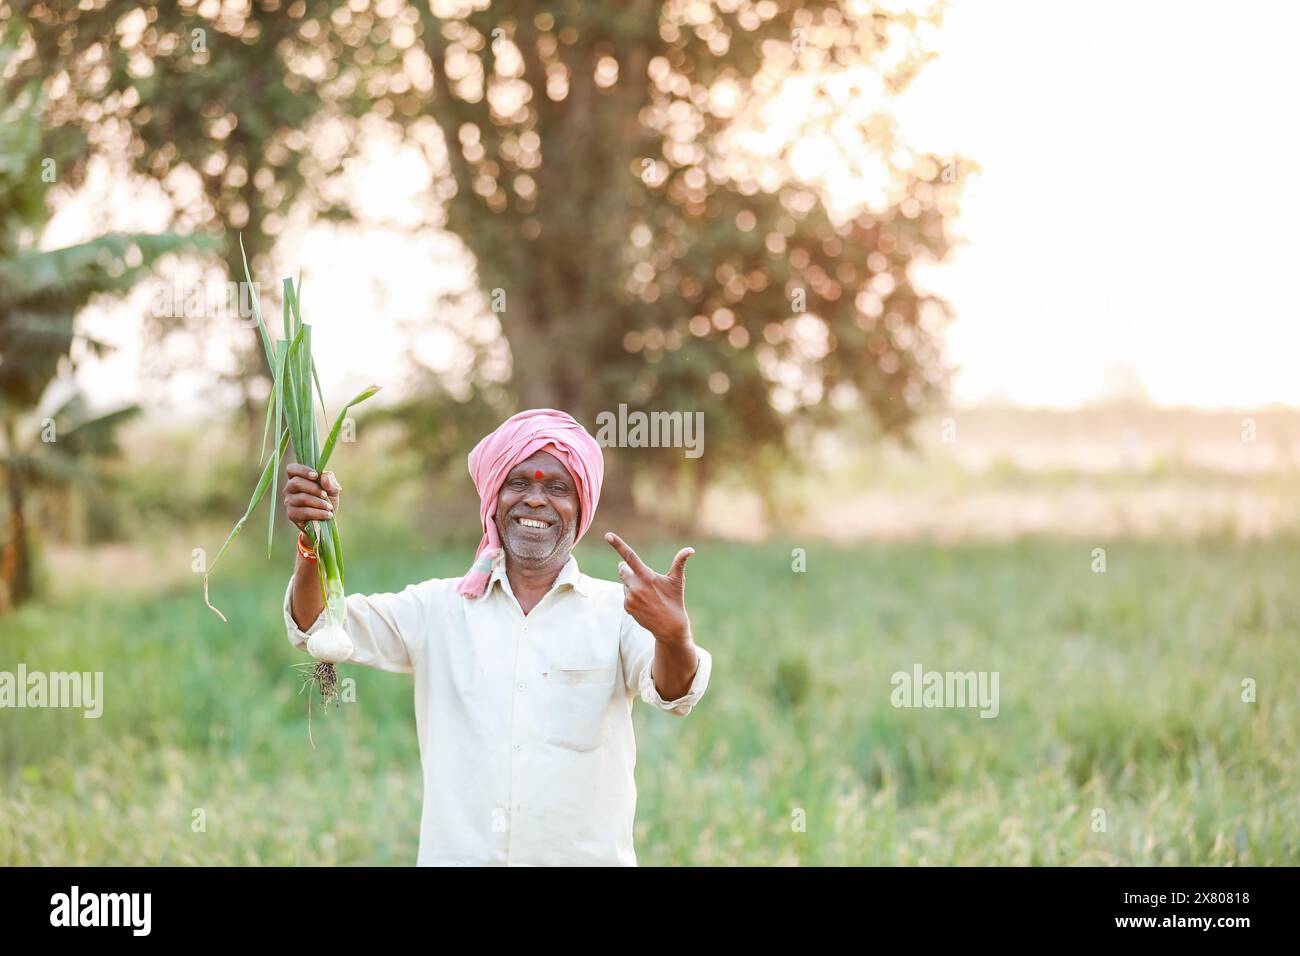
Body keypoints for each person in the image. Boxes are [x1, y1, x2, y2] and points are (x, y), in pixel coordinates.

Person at [282, 407, 712, 865]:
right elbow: (316, 625)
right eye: (519, 483)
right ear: (493, 497)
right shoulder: (438, 609)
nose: (534, 500)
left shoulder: (617, 611)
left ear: (581, 506)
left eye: (557, 487)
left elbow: (674, 692)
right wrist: (313, 540)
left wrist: (673, 636)